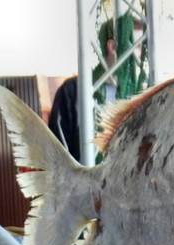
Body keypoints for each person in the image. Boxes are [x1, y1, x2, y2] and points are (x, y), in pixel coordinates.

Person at [48, 16, 144, 163]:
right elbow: (57, 153)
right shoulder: (73, 91)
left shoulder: (140, 94)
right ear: (112, 47)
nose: (142, 55)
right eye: (136, 46)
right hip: (82, 184)